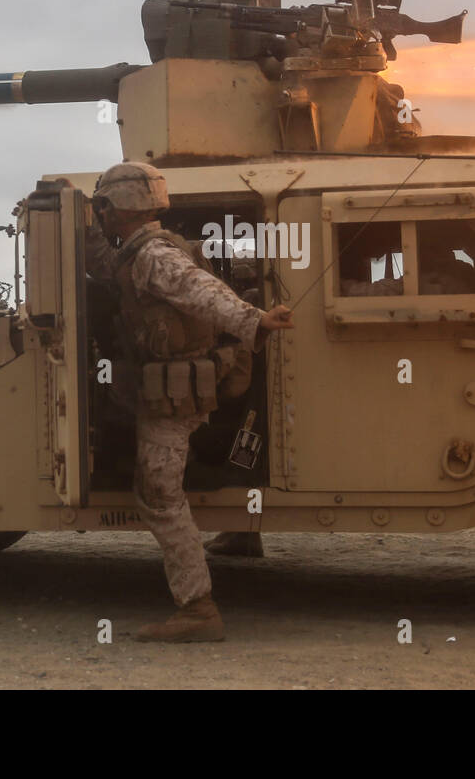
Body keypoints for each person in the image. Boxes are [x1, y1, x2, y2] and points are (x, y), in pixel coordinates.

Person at [84, 162, 294, 642]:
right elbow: (104, 264)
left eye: (103, 207)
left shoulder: (156, 256)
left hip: (174, 391)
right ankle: (242, 535)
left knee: (158, 493)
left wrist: (253, 320)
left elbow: (202, 293)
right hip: (173, 384)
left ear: (117, 207)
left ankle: (197, 610)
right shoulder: (137, 251)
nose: (101, 216)